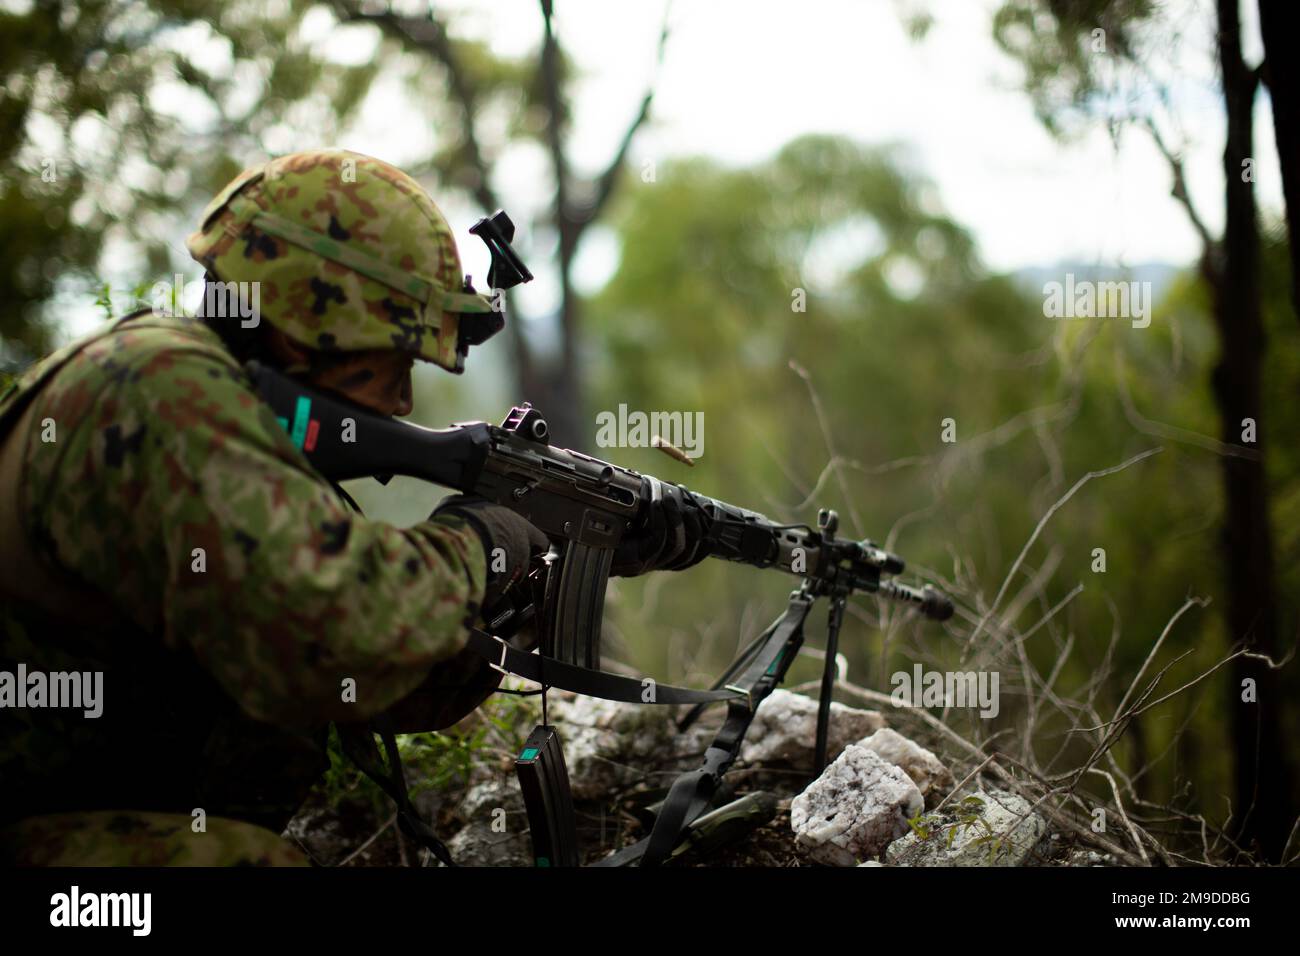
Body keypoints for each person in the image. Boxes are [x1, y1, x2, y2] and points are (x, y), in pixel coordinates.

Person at [0, 149, 707, 865]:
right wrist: (486, 539)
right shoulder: (157, 388)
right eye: (394, 361)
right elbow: (343, 626)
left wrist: (540, 573)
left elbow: (372, 688)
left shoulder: (231, 426)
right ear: (311, 321)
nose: (402, 402)